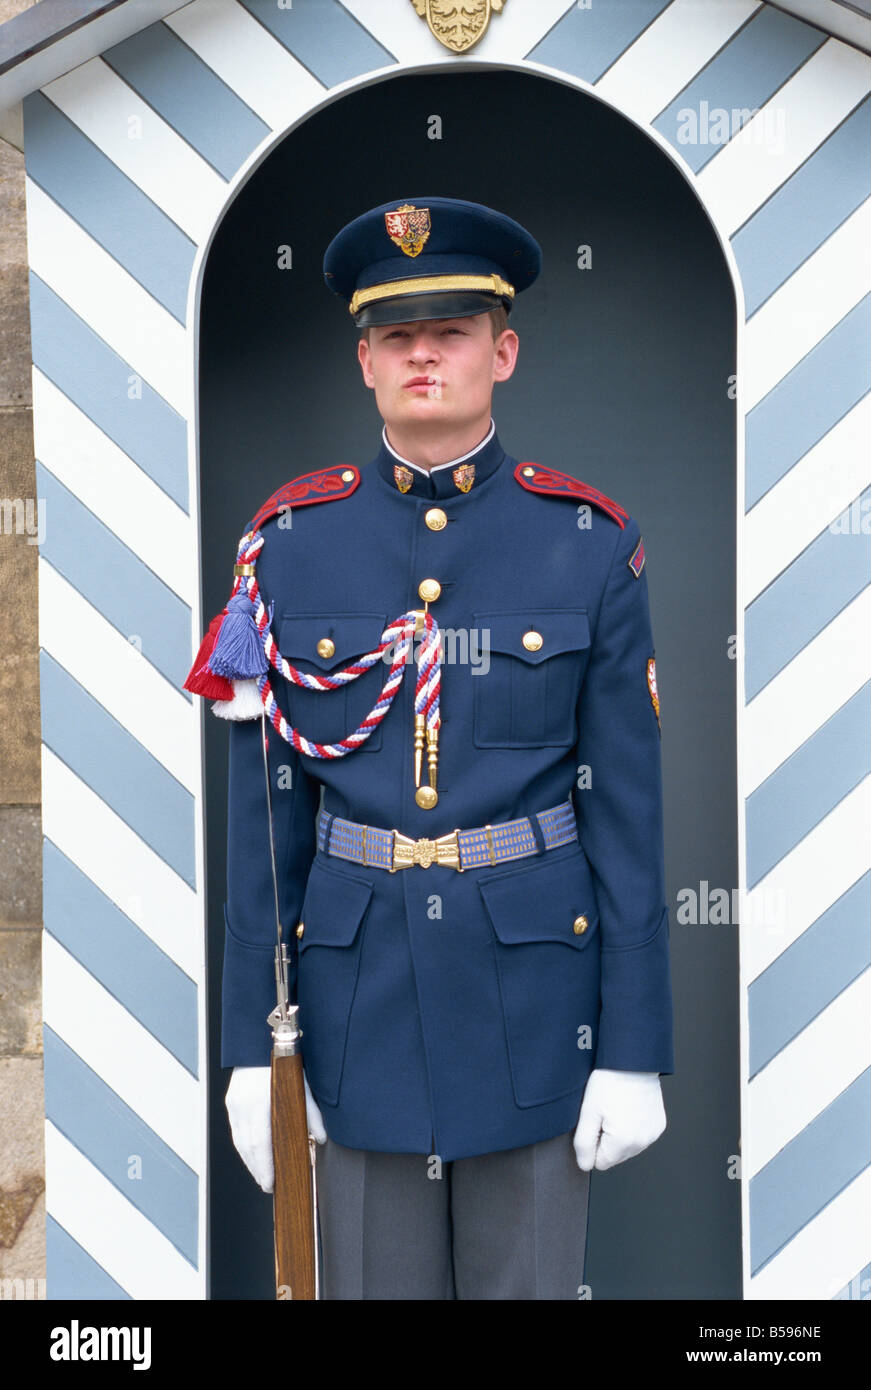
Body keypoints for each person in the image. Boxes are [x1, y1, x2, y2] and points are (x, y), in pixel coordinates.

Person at [186, 196, 674, 1300]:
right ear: (363, 360)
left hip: (539, 1002)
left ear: (501, 351)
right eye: (396, 336)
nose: (422, 355)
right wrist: (248, 1055)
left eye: (449, 331)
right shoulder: (288, 550)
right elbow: (264, 823)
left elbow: (627, 816)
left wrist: (635, 1040)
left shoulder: (589, 545)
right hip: (354, 1010)